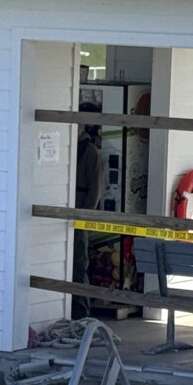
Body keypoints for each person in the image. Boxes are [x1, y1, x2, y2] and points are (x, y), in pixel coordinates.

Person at [72, 104, 103, 319]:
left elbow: (96, 190)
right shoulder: (68, 149)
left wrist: (84, 217)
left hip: (79, 216)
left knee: (78, 266)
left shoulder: (90, 152)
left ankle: (81, 313)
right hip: (64, 213)